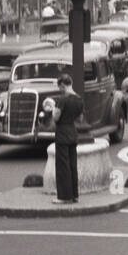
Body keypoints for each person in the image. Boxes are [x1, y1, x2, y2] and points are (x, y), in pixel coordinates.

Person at [49, 74, 83, 203]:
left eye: (60, 88)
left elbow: (56, 117)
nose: (60, 90)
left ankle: (64, 197)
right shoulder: (79, 99)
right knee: (72, 165)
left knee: (63, 166)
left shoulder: (63, 99)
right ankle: (75, 195)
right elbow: (79, 119)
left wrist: (53, 109)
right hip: (72, 132)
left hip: (62, 132)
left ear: (63, 85)